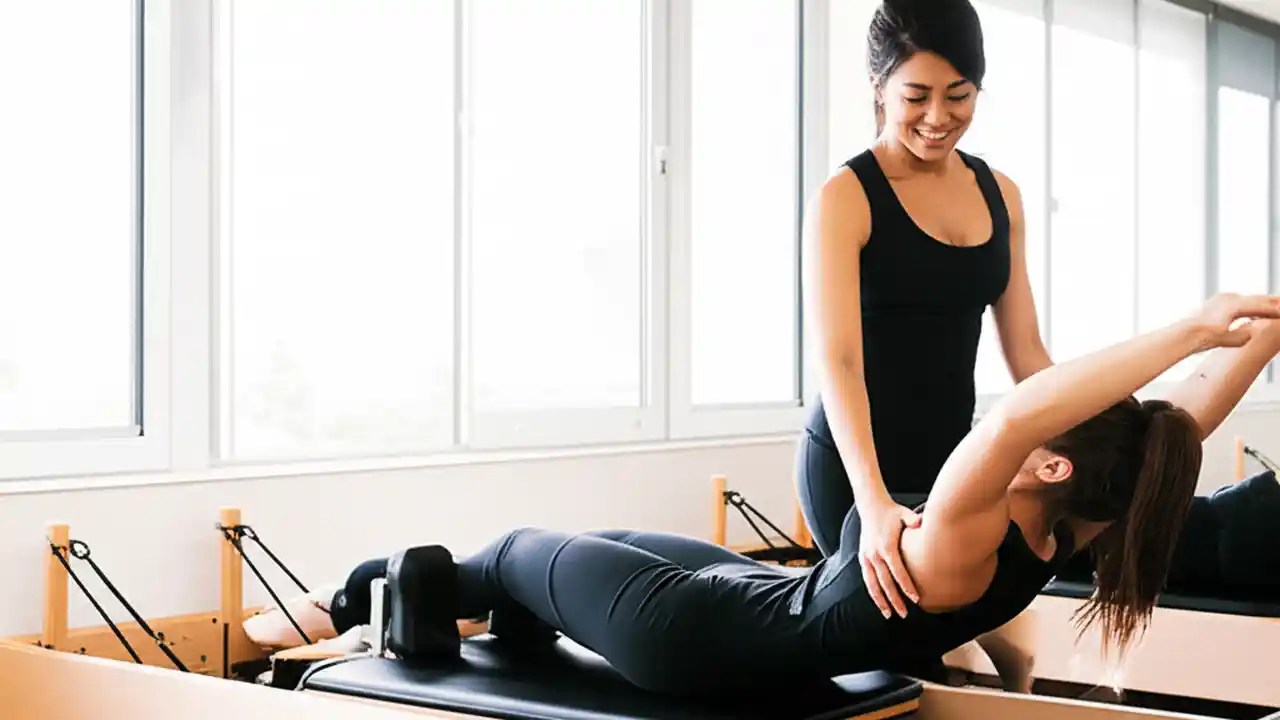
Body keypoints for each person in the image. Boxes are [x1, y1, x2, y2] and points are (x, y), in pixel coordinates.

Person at [267, 294, 1280, 699]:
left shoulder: (976, 518)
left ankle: (346, 599)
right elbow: (1171, 428)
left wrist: (1192, 330)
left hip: (700, 642)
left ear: (1050, 465)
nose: (1022, 415)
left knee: (517, 546)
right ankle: (473, 614)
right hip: (758, 610)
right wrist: (1261, 325)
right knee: (601, 541)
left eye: (1042, 432)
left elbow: (1020, 413)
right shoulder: (1076, 524)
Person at [798, 0, 1052, 630]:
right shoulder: (845, 198)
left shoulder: (1003, 195)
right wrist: (874, 501)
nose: (939, 118)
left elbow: (1027, 352)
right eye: (915, 96)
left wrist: (1104, 431)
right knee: (895, 646)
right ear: (879, 89)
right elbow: (840, 361)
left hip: (951, 463)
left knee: (965, 642)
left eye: (959, 95)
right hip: (856, 467)